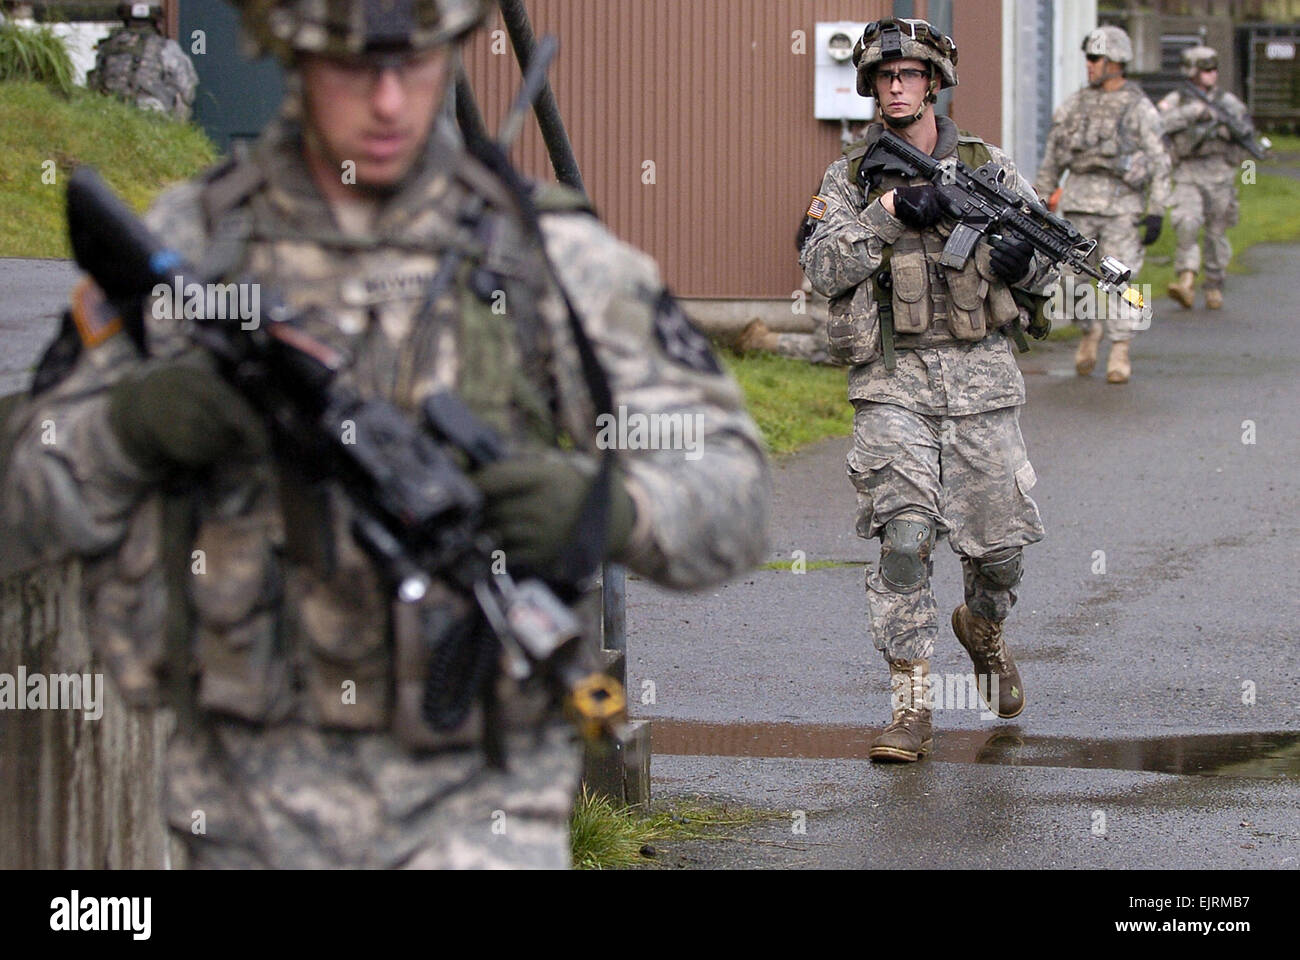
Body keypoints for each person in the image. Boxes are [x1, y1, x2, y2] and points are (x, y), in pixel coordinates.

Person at [1, 0, 769, 868]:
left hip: (482, 822)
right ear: (286, 53)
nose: (392, 103)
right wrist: (126, 430)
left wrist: (614, 512)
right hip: (245, 825)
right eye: (353, 68)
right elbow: (19, 509)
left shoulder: (545, 256)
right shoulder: (191, 245)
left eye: (419, 63)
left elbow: (735, 495)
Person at [801, 18, 1055, 763]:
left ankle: (982, 627)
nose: (898, 87)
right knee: (904, 540)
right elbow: (820, 270)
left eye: (911, 75)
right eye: (885, 77)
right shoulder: (850, 178)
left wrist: (1020, 263)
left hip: (983, 385)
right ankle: (911, 707)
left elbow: (1048, 263)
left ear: (935, 83)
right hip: (891, 384)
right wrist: (884, 217)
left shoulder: (988, 166)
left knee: (1001, 549)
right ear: (872, 88)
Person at [1035, 25, 1171, 384]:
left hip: (1122, 208)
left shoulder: (1139, 108)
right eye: (1088, 59)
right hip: (1078, 208)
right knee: (1068, 283)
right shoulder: (1075, 105)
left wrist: (1156, 209)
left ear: (1116, 62)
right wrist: (1038, 202)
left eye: (1095, 59)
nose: (1089, 65)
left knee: (1124, 282)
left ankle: (1121, 347)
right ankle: (1089, 331)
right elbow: (1053, 158)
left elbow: (1160, 162)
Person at [1158, 45, 1256, 311]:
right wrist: (1193, 114)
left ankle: (1213, 283)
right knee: (1187, 223)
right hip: (1188, 172)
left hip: (1220, 174)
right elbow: (1157, 124)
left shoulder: (1229, 103)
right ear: (1192, 72)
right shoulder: (1177, 101)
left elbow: (1247, 137)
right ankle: (1186, 281)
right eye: (1206, 70)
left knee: (1216, 233)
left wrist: (1247, 177)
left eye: (1214, 70)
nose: (1212, 75)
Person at [87, 2, 199, 121]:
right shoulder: (166, 47)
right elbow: (187, 90)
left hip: (109, 112)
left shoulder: (108, 47)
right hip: (153, 116)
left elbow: (94, 83)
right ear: (156, 21)